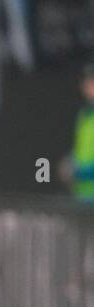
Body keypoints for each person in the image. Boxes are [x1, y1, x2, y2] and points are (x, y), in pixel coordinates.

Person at [68, 63, 94, 203]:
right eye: (87, 81)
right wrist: (70, 162)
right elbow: (81, 149)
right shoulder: (84, 115)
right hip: (82, 195)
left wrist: (77, 172)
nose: (88, 86)